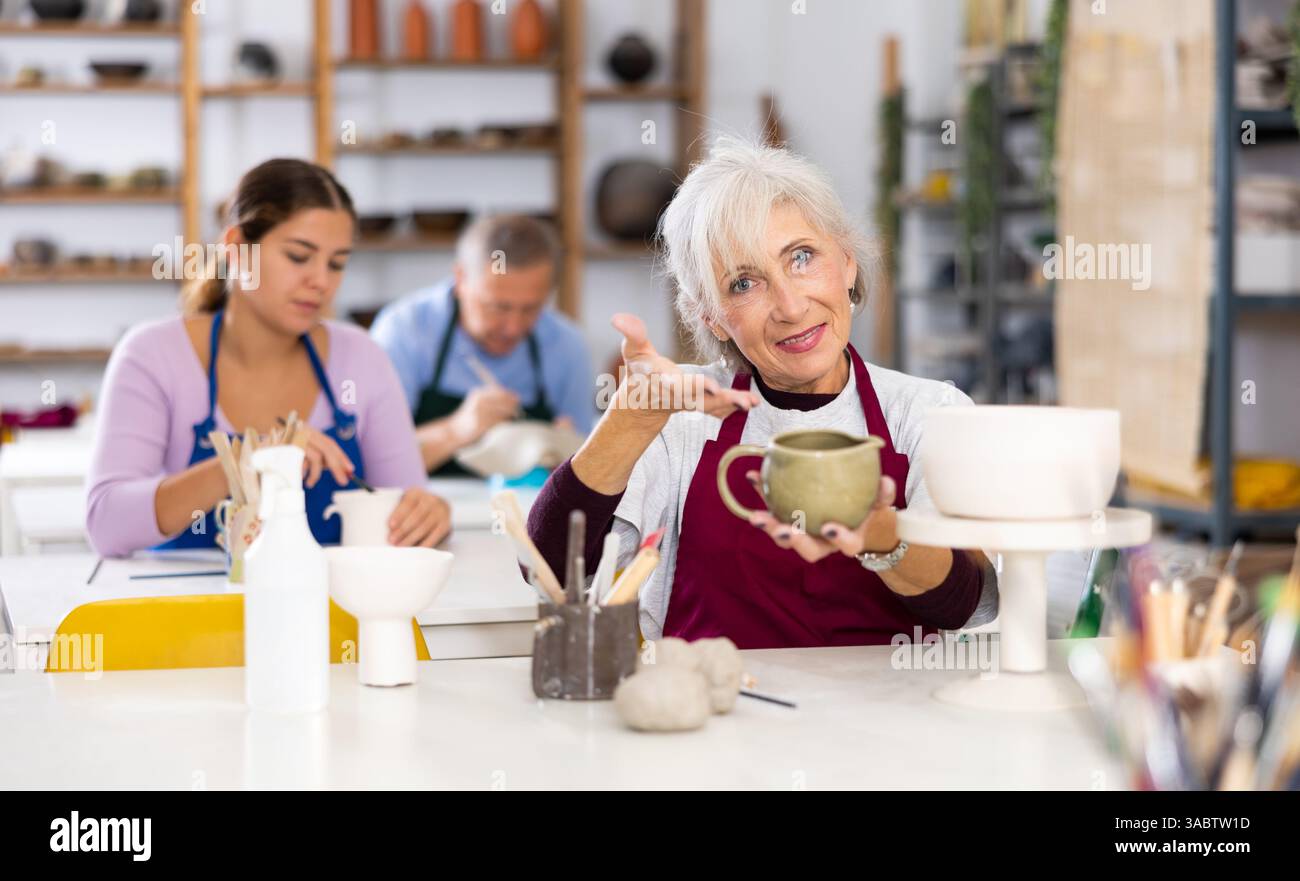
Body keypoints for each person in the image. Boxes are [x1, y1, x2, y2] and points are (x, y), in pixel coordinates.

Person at [526, 138, 998, 648]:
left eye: (802, 257)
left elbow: (962, 603)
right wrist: (630, 423)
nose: (791, 307)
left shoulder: (930, 413)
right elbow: (549, 573)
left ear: (846, 263)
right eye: (744, 284)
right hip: (713, 713)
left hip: (885, 719)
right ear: (711, 317)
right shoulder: (681, 420)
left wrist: (883, 540)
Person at [86, 158, 451, 557]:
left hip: (335, 614)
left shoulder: (362, 359)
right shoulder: (153, 355)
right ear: (237, 249)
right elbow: (106, 524)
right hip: (192, 613)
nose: (321, 281)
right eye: (298, 256)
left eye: (337, 263)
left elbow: (407, 503)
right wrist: (244, 461)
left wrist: (429, 514)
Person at [370, 214, 596, 476]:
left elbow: (590, 470)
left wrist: (568, 457)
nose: (512, 327)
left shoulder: (566, 344)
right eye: (497, 307)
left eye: (531, 309)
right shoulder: (405, 331)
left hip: (526, 513)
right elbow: (374, 464)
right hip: (421, 512)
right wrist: (456, 429)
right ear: (460, 279)